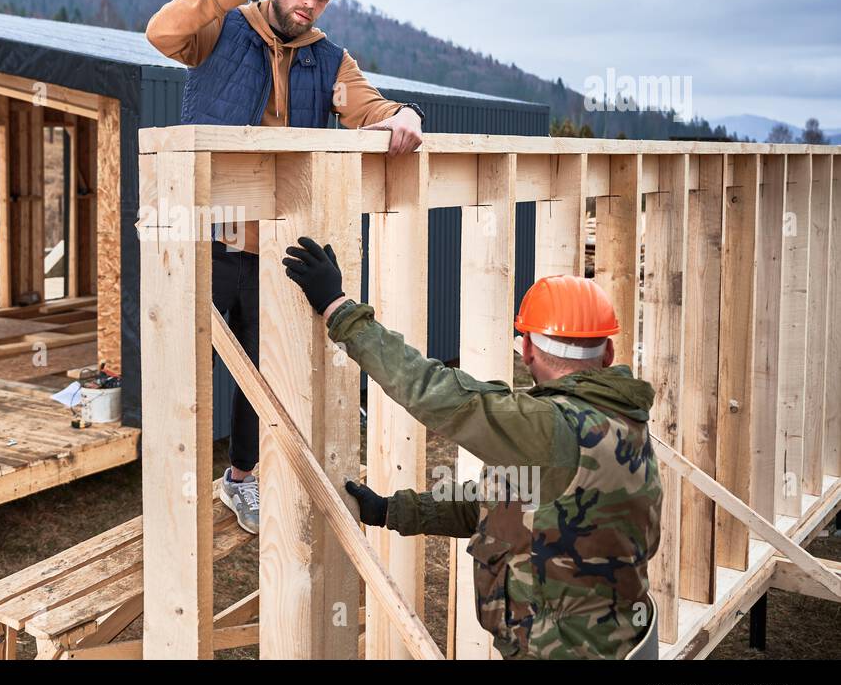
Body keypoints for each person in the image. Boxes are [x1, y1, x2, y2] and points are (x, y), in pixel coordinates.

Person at [145, 0, 425, 534]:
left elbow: (369, 107)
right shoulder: (222, 27)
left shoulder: (329, 60)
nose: (310, 5)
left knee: (260, 369)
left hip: (271, 247)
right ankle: (171, 492)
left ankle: (239, 480)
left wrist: (405, 115)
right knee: (181, 368)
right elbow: (160, 33)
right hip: (206, 239)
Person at [282, 236, 663, 659]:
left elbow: (431, 390)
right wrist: (392, 510)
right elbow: (508, 505)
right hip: (615, 644)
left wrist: (339, 310)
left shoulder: (549, 427)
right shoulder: (621, 418)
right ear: (608, 352)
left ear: (529, 351)